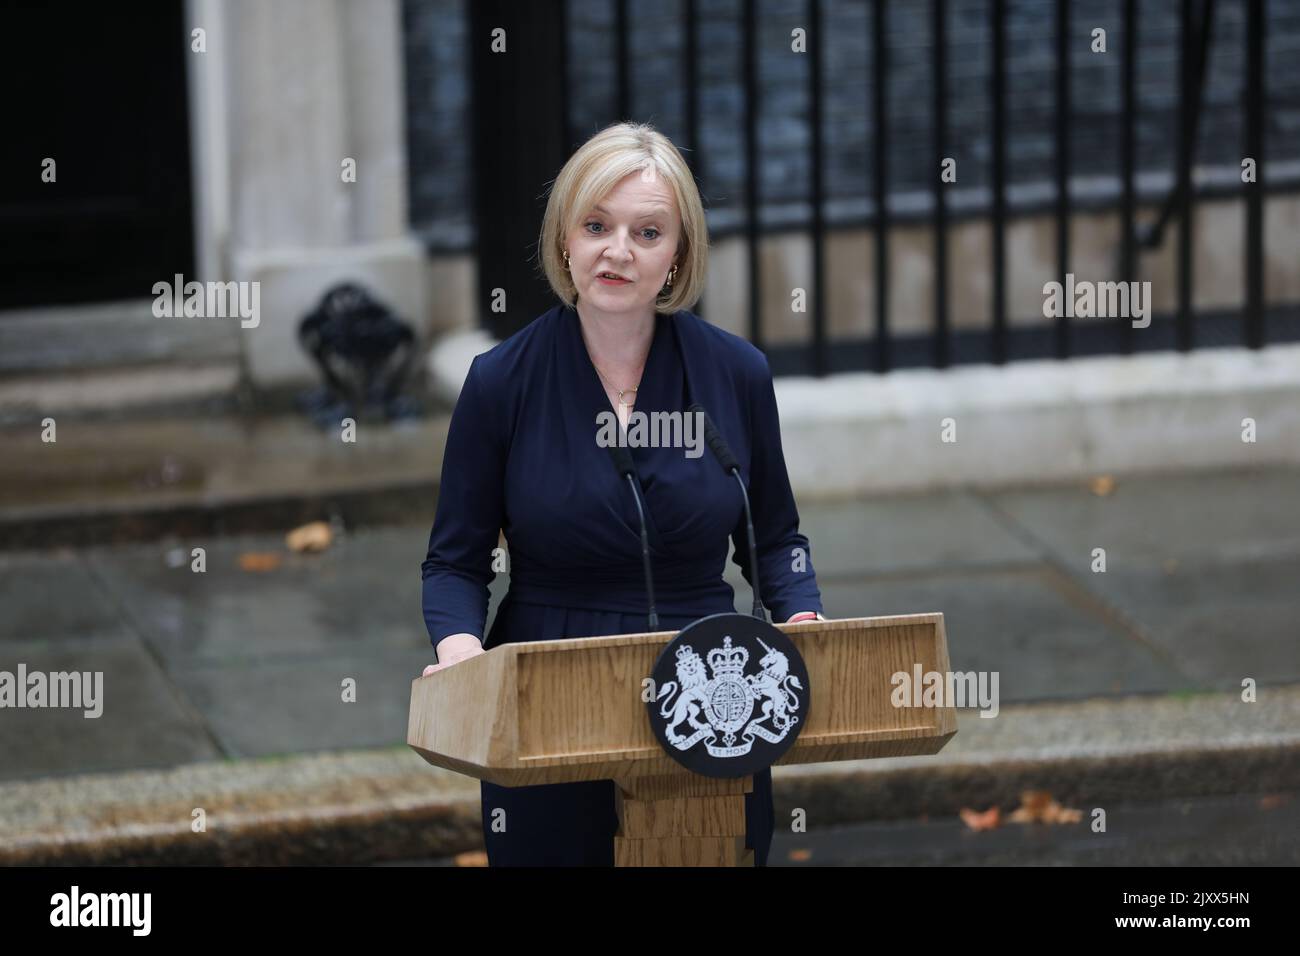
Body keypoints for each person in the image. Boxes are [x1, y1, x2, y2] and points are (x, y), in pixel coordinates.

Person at [420, 121, 826, 866]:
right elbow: (454, 563)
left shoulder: (735, 374)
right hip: (544, 695)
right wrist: (461, 656)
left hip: (712, 684)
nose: (618, 251)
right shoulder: (501, 383)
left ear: (676, 256)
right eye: (597, 225)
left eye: (647, 232)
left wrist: (803, 616)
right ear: (565, 239)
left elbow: (774, 539)